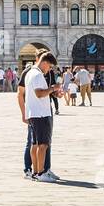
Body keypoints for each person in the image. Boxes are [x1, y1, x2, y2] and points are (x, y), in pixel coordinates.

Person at [24, 53, 60, 182]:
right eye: (49, 66)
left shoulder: (30, 73)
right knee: (43, 145)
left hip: (33, 113)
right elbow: (39, 93)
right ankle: (40, 173)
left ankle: (35, 172)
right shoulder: (38, 75)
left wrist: (52, 91)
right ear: (45, 62)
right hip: (41, 114)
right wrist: (53, 88)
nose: (49, 69)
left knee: (35, 144)